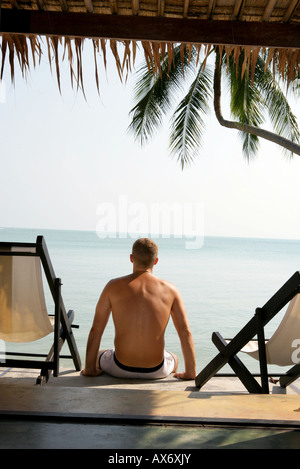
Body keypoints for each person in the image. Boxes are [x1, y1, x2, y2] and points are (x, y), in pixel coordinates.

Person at [82, 238, 196, 380]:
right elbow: (185, 331)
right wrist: (191, 372)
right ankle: (186, 372)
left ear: (131, 258)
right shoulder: (170, 289)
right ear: (156, 261)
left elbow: (96, 330)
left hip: (119, 368)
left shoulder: (112, 286)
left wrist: (90, 369)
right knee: (175, 358)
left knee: (100, 354)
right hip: (156, 371)